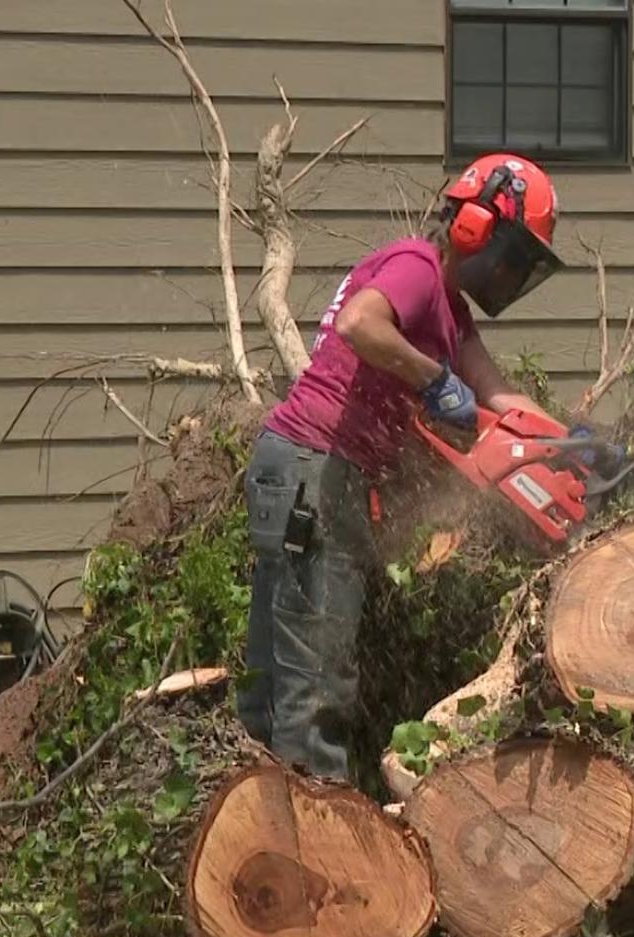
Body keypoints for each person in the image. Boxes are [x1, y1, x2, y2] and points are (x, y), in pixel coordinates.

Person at [238, 153, 566, 783]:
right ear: (474, 229)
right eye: (515, 256)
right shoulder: (415, 267)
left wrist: (568, 442)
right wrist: (432, 378)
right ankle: (308, 850)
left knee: (275, 678)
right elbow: (363, 325)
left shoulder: (451, 311)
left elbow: (500, 398)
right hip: (316, 470)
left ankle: (256, 831)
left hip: (306, 470)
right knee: (314, 683)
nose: (513, 273)